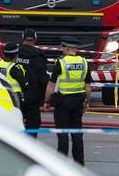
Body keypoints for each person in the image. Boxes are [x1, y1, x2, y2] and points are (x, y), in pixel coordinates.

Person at [45, 37, 92, 165]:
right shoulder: (84, 62)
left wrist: (46, 101)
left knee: (62, 133)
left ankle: (62, 162)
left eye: (62, 47)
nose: (61, 50)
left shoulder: (61, 62)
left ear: (67, 48)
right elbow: (88, 86)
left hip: (63, 103)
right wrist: (87, 102)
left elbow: (51, 84)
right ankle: (79, 163)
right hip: (78, 102)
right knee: (77, 134)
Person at [16, 30, 50, 133]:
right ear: (35, 40)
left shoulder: (14, 53)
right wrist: (46, 99)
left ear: (22, 39)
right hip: (33, 97)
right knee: (32, 127)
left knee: (14, 125)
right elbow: (43, 79)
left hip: (14, 97)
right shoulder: (39, 55)